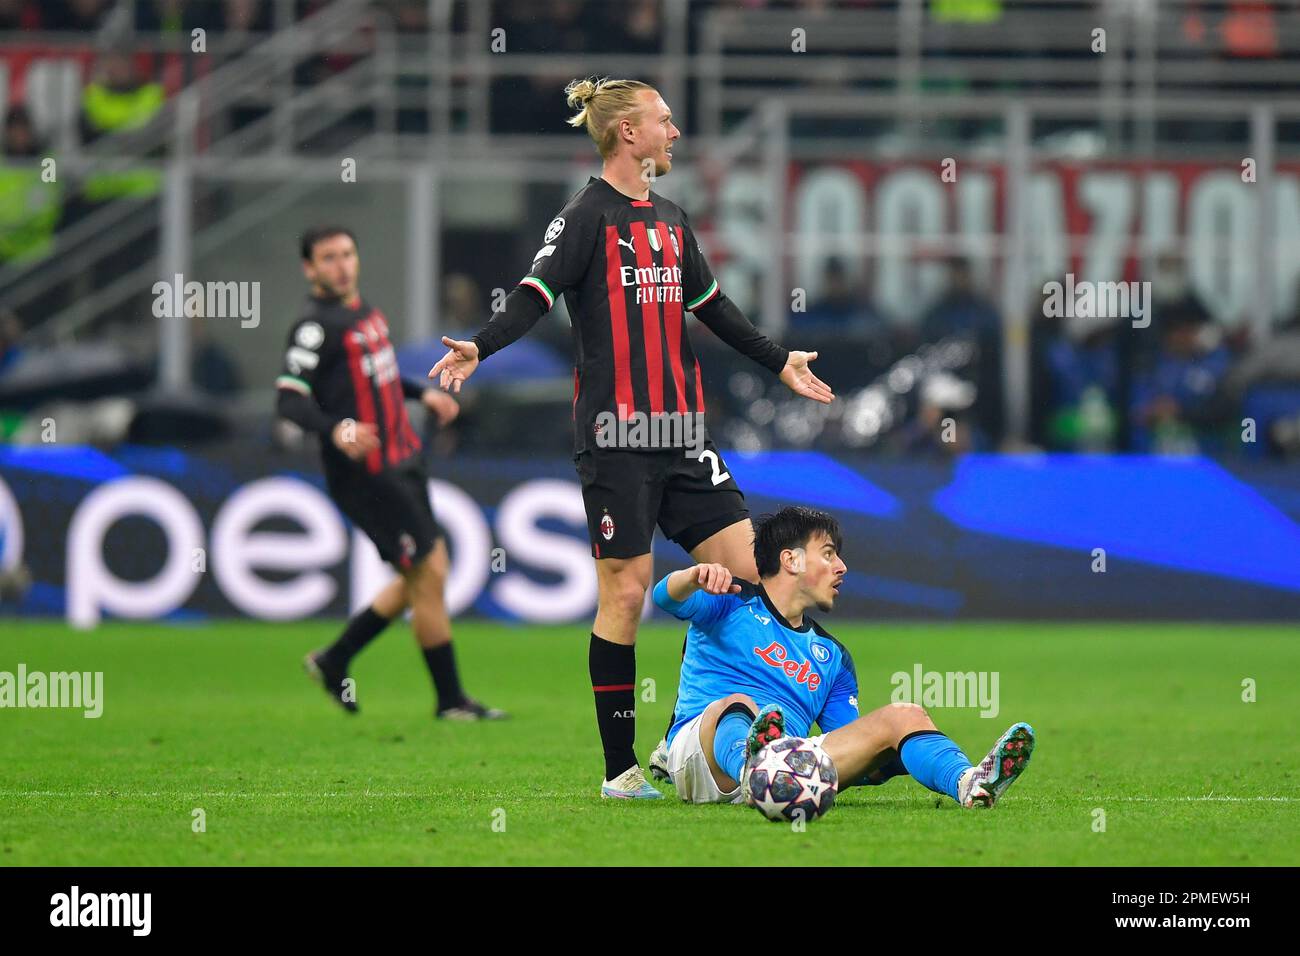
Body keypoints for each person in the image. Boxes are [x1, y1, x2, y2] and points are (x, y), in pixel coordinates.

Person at [430, 77, 833, 799]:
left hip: (681, 435)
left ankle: (687, 730)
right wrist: (481, 348)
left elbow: (714, 308)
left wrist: (780, 362)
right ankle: (619, 771)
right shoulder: (585, 216)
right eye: (665, 122)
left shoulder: (674, 219)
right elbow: (534, 293)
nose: (675, 134)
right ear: (628, 134)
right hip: (615, 438)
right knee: (625, 595)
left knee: (757, 573)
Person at [652, 506, 1035, 809]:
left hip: (789, 769)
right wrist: (691, 576)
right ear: (792, 560)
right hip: (702, 759)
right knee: (738, 705)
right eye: (829, 554)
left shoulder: (833, 656)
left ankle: (969, 782)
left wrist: (901, 749)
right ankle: (756, 770)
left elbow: (851, 745)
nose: (842, 568)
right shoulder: (729, 602)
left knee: (903, 715)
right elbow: (664, 598)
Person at [277, 225, 506, 721]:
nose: (340, 265)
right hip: (368, 475)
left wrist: (423, 395)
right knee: (429, 572)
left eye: (346, 254)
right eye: (328, 258)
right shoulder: (314, 326)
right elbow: (288, 398)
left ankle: (335, 658)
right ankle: (450, 702)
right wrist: (336, 428)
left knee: (425, 572)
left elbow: (376, 378)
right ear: (309, 268)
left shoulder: (365, 313)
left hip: (404, 458)